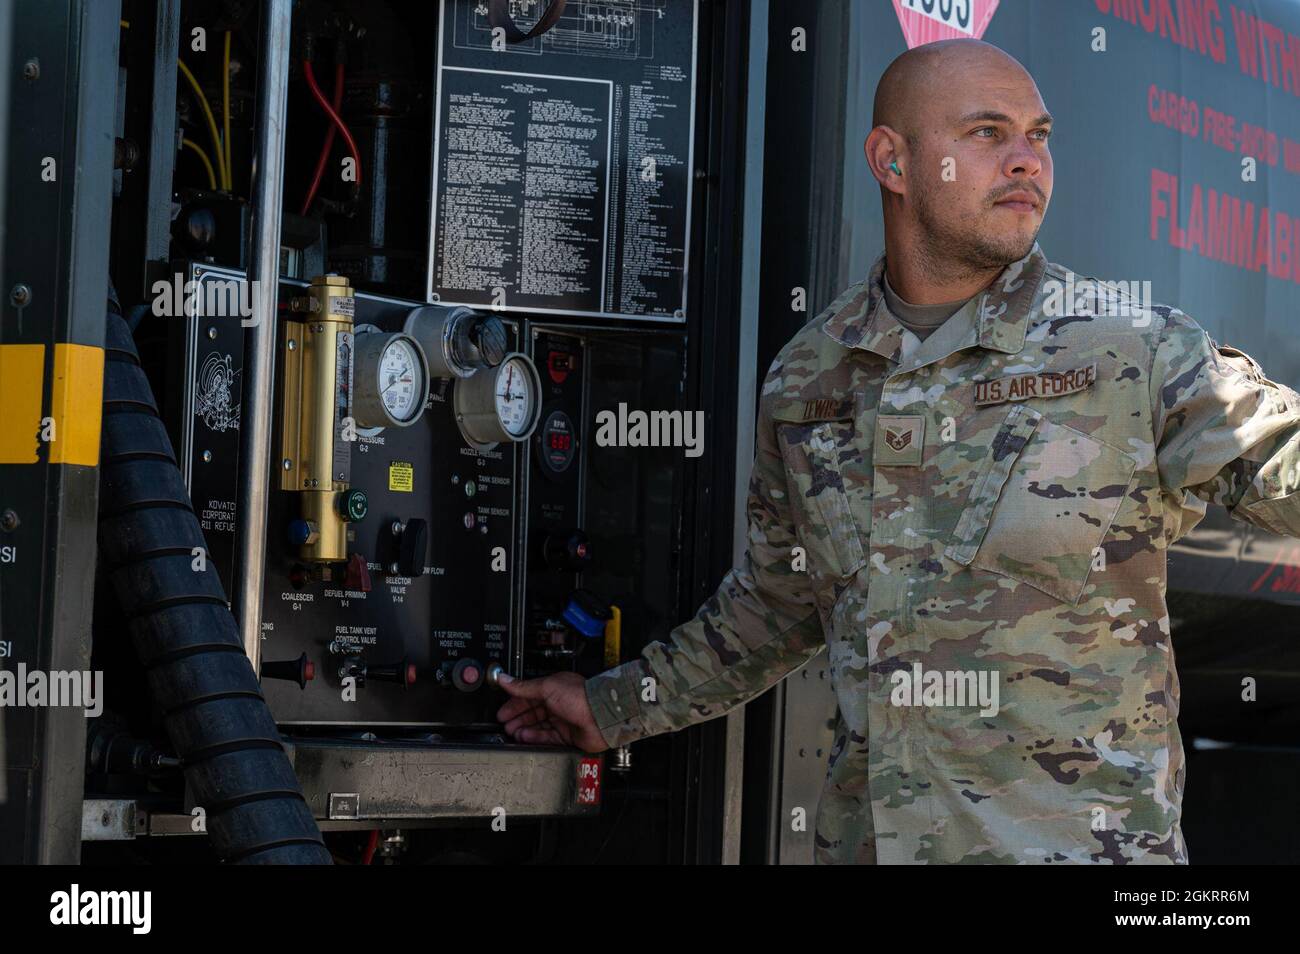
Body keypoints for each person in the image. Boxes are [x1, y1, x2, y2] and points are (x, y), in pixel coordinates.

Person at [496, 39, 1300, 864]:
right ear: (892, 161)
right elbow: (778, 602)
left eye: (1040, 135)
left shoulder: (1133, 353)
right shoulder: (812, 374)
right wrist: (614, 707)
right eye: (989, 133)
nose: (1029, 160)